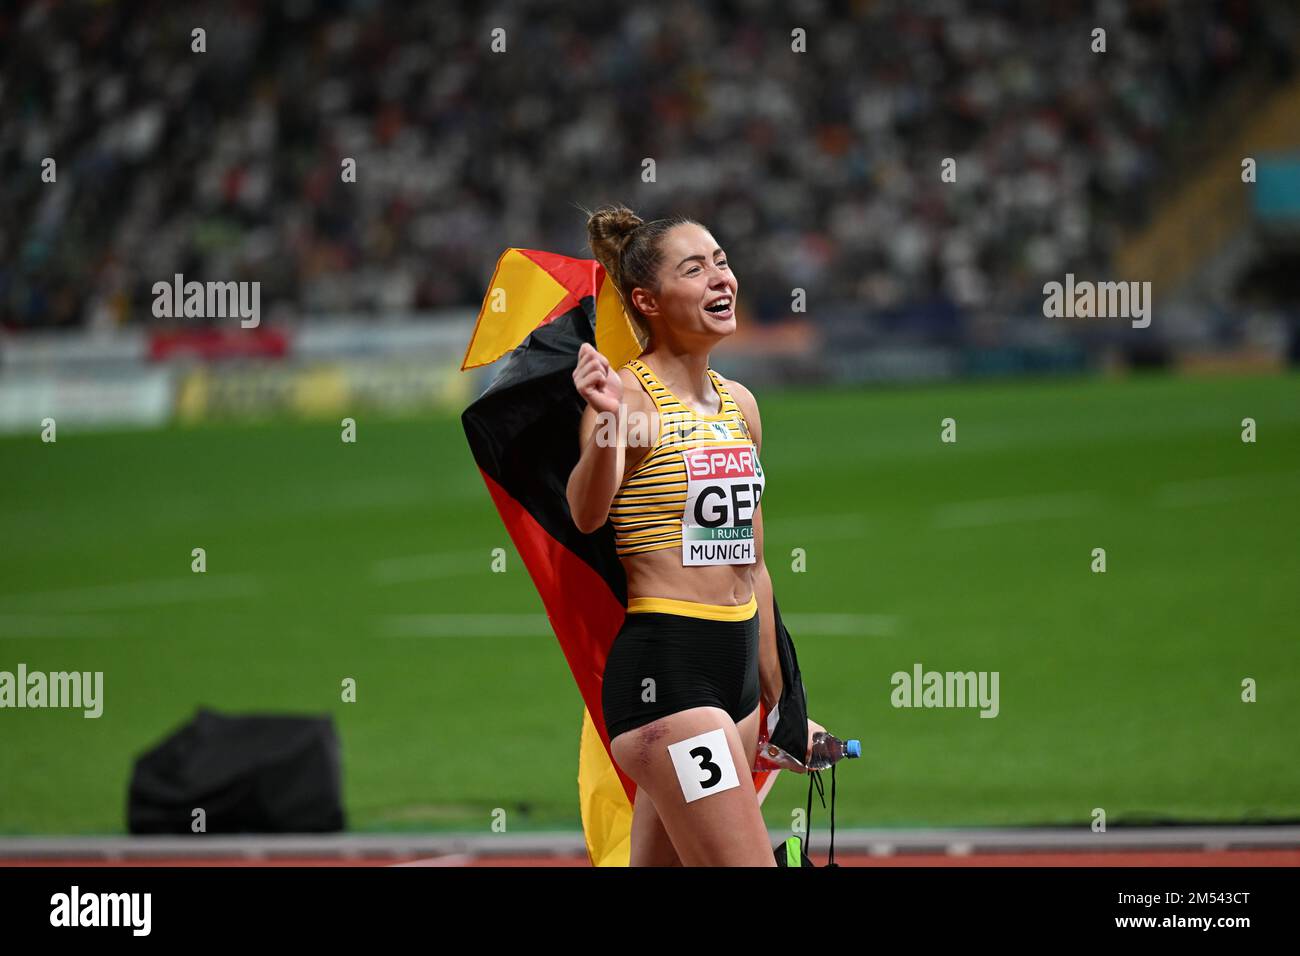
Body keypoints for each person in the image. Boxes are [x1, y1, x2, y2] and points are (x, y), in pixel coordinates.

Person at [567, 203, 825, 866]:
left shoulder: (740, 405)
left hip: (734, 677)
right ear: (647, 300)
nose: (721, 279)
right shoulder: (628, 400)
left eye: (722, 262)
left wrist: (782, 705)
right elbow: (587, 513)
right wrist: (601, 429)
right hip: (668, 679)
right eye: (695, 269)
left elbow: (753, 567)